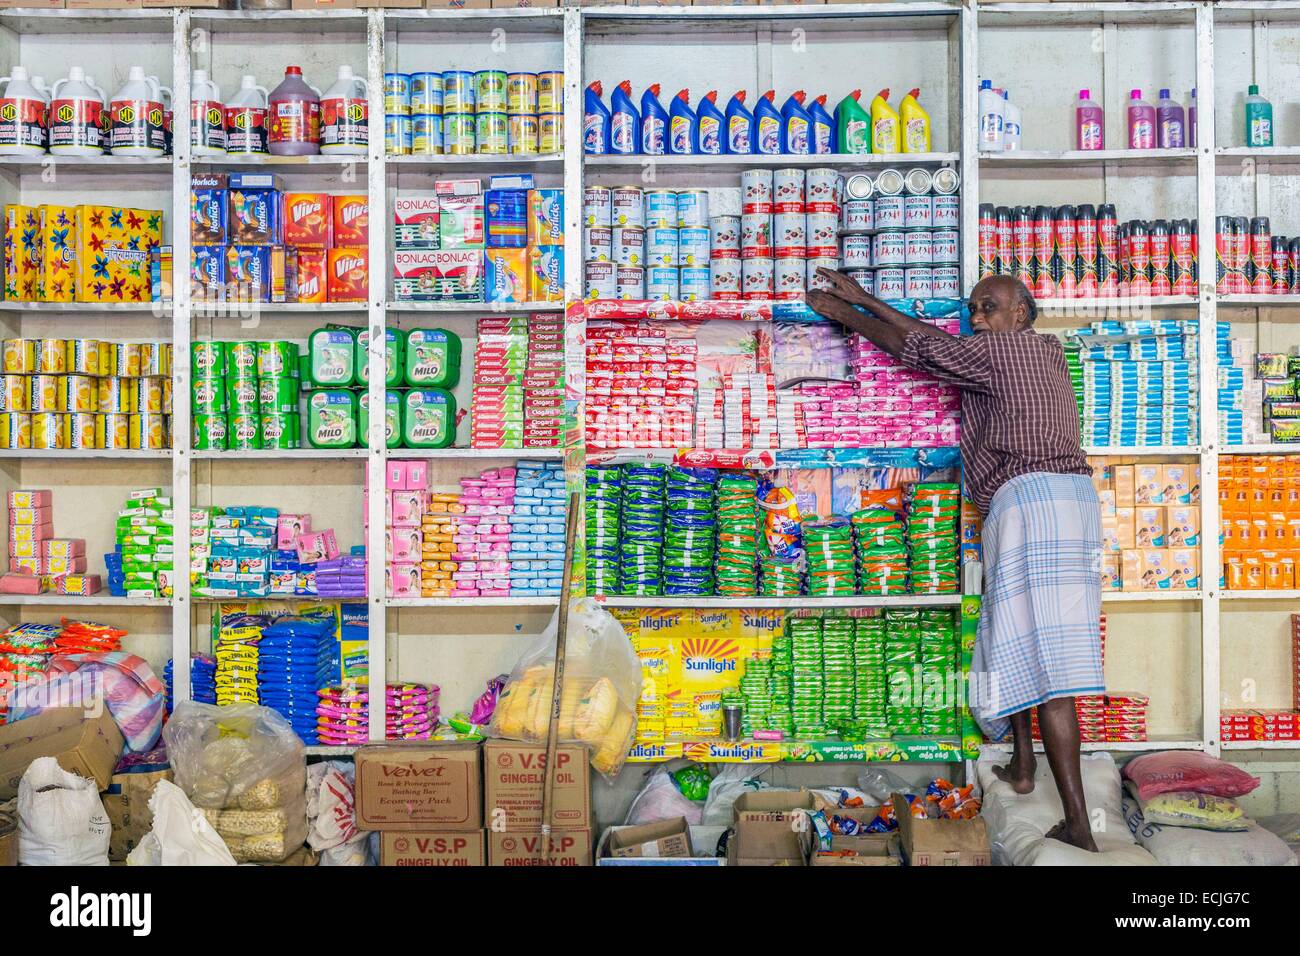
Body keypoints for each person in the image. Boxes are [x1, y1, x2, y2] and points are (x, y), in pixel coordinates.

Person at [808, 269, 1103, 852]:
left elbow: (917, 347)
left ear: (1022, 312)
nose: (978, 316)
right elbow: (932, 341)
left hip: (1037, 502)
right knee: (1013, 641)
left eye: (989, 306)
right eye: (972, 308)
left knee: (1049, 668)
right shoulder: (1011, 352)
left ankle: (1079, 824)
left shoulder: (1014, 350)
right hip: (1042, 504)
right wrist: (866, 298)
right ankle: (1023, 767)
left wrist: (849, 317)